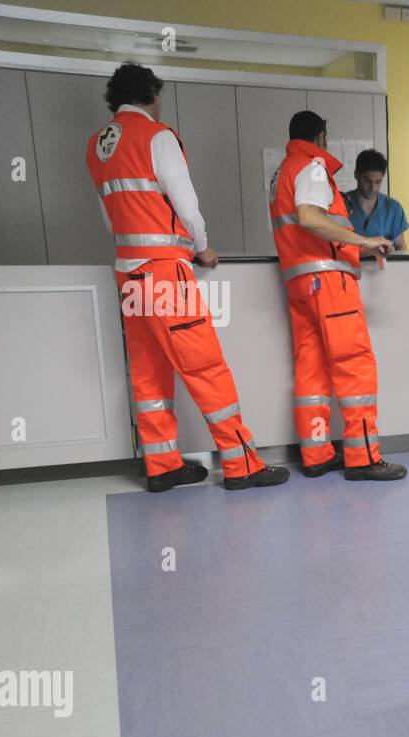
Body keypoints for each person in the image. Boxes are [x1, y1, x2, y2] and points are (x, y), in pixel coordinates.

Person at [86, 62, 288, 493]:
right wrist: (202, 247)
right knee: (206, 367)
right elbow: (186, 204)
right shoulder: (156, 136)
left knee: (147, 372)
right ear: (151, 95)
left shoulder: (98, 147)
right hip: (164, 271)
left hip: (128, 273)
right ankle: (241, 464)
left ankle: (162, 466)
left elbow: (108, 219)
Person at [269, 111, 406, 481]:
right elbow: (310, 218)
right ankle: (363, 459)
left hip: (301, 284)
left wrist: (358, 250)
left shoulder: (284, 170)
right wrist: (364, 240)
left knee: (311, 370)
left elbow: (308, 234)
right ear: (321, 137)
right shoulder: (312, 166)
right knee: (355, 367)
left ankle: (316, 454)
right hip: (330, 285)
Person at [343, 149, 409, 250]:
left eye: (378, 182)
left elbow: (401, 246)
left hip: (384, 265)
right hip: (348, 265)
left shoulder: (393, 208)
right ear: (356, 174)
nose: (373, 188)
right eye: (368, 181)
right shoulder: (341, 204)